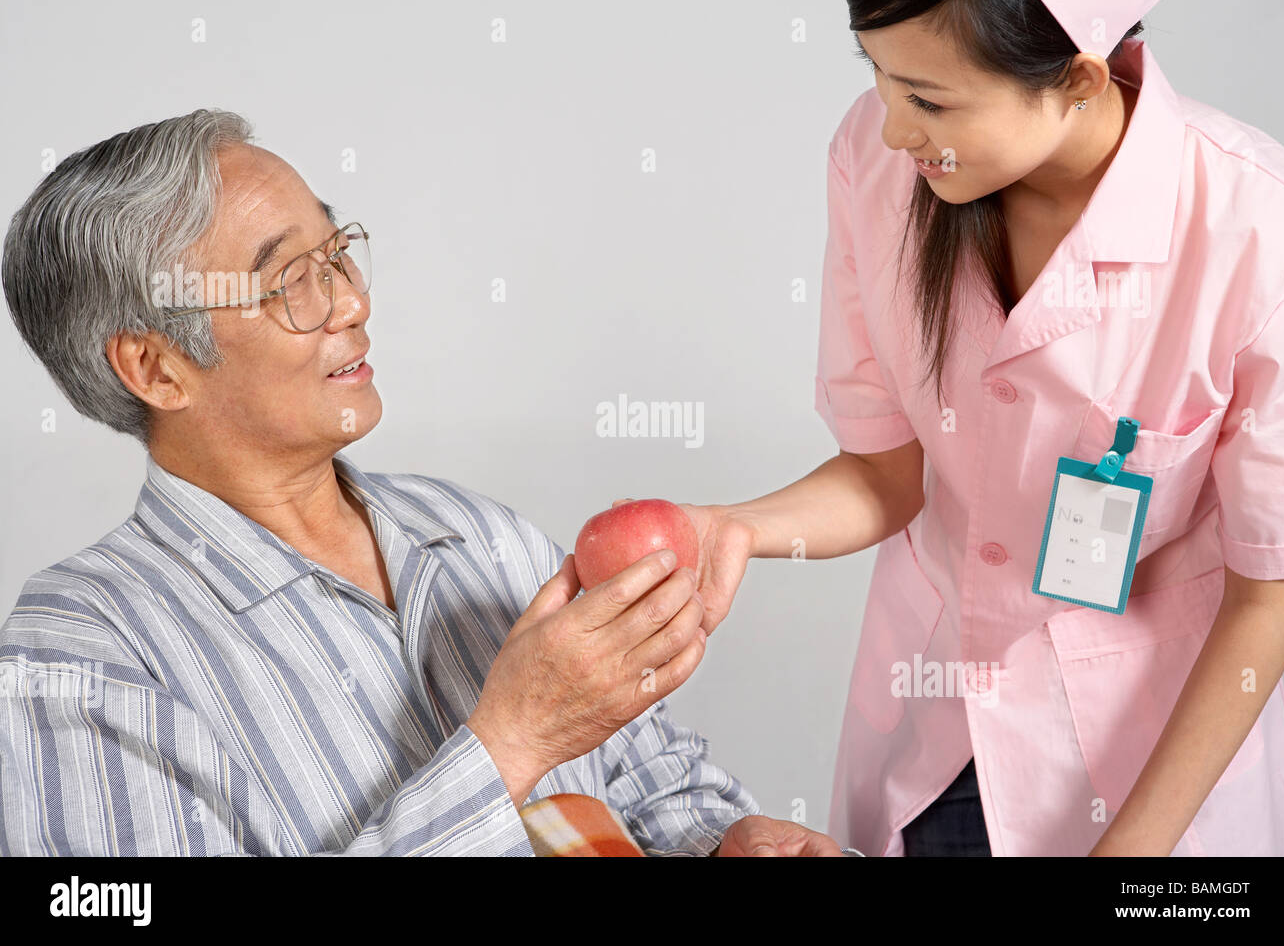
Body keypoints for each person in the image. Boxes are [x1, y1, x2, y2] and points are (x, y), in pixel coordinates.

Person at [0, 110, 844, 857]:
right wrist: (510, 743)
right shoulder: (79, 658)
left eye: (338, 253)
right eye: (290, 278)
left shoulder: (477, 534)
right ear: (156, 367)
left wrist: (723, 840)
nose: (349, 302)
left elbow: (655, 785)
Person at [669, 0, 1284, 855]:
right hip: (936, 744)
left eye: (929, 100)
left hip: (1153, 777)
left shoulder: (1259, 229)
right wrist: (728, 529)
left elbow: (1270, 594)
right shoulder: (876, 161)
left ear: (1078, 77)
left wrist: (1130, 854)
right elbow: (883, 477)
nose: (894, 128)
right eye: (879, 76)